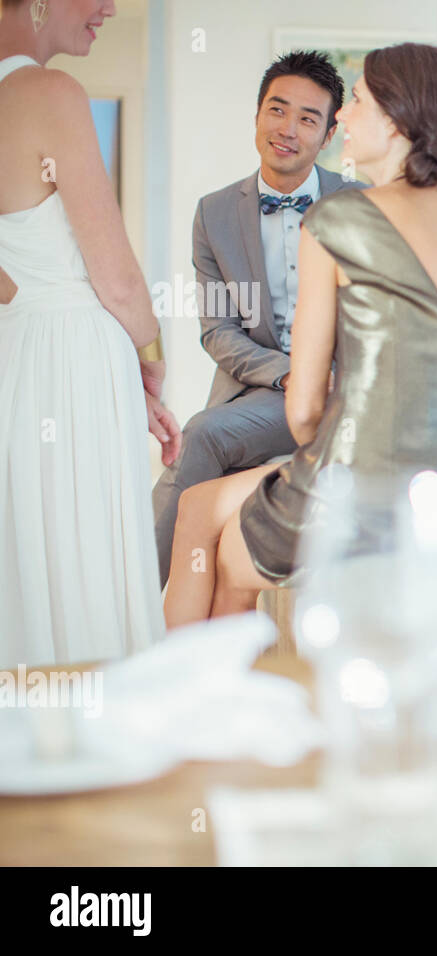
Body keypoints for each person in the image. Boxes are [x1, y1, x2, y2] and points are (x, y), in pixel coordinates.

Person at [163, 44, 437, 626]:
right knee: (202, 503)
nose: (340, 119)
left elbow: (307, 412)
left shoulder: (338, 221)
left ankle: (205, 699)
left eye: (354, 101)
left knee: (216, 545)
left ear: (393, 121)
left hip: (350, 487)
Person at [0, 0, 182, 667]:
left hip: (18, 353)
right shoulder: (50, 92)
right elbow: (120, 280)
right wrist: (150, 354)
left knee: (33, 551)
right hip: (76, 356)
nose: (109, 7)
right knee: (82, 546)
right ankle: (100, 734)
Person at [152, 50, 360, 588]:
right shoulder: (214, 212)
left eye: (308, 118)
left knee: (200, 437)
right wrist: (289, 374)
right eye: (277, 109)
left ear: (330, 132)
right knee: (200, 446)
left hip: (339, 392)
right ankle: (154, 605)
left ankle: (146, 601)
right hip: (259, 389)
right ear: (257, 115)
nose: (287, 129)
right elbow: (217, 332)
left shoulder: (361, 205)